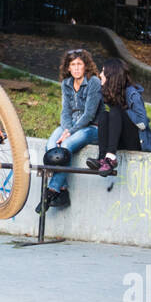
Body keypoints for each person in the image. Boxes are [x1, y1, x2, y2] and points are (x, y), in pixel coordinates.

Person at [36, 48, 102, 213]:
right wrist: (66, 128)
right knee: (51, 145)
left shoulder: (94, 82)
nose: (77, 68)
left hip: (91, 128)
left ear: (86, 66)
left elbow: (89, 114)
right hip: (71, 126)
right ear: (68, 68)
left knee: (65, 147)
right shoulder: (66, 84)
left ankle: (51, 191)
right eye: (73, 65)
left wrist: (69, 132)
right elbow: (65, 111)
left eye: (80, 64)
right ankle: (63, 191)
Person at [85, 58, 151, 176]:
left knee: (115, 111)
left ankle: (110, 158)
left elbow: (143, 123)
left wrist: (124, 110)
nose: (100, 75)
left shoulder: (132, 94)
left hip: (135, 142)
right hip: (119, 140)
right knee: (104, 115)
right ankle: (102, 158)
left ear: (112, 75)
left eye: (103, 72)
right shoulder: (110, 92)